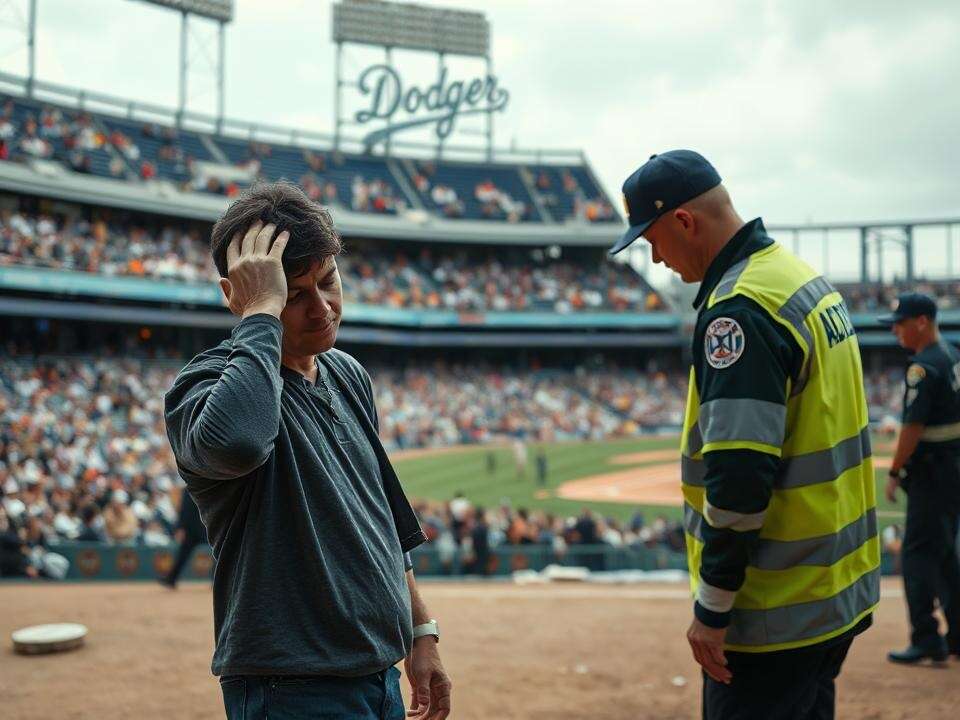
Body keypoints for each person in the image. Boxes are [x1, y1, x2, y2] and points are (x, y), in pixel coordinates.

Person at [164, 182, 451, 720]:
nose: (322, 309)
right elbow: (239, 442)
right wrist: (262, 315)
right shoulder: (202, 384)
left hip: (378, 673)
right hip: (290, 687)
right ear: (237, 294)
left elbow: (382, 518)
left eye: (328, 281)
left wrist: (420, 629)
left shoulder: (347, 373)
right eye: (295, 295)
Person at [611, 150, 879, 719]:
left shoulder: (738, 310)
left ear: (685, 221)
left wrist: (712, 608)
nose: (655, 258)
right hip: (832, 593)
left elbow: (738, 482)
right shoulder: (798, 277)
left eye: (652, 240)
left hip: (774, 609)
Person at [880, 293, 960, 664]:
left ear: (922, 322)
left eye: (901, 322)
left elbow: (912, 428)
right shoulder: (953, 353)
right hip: (953, 468)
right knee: (945, 554)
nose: (896, 329)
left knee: (916, 555)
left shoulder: (923, 367)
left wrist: (895, 471)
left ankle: (926, 638)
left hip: (932, 472)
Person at [158, 488, 208, 589]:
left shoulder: (189, 488)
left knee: (183, 554)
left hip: (193, 529)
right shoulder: (209, 484)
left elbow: (184, 510)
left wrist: (180, 527)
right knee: (219, 553)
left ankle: (171, 579)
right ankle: (220, 583)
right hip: (206, 527)